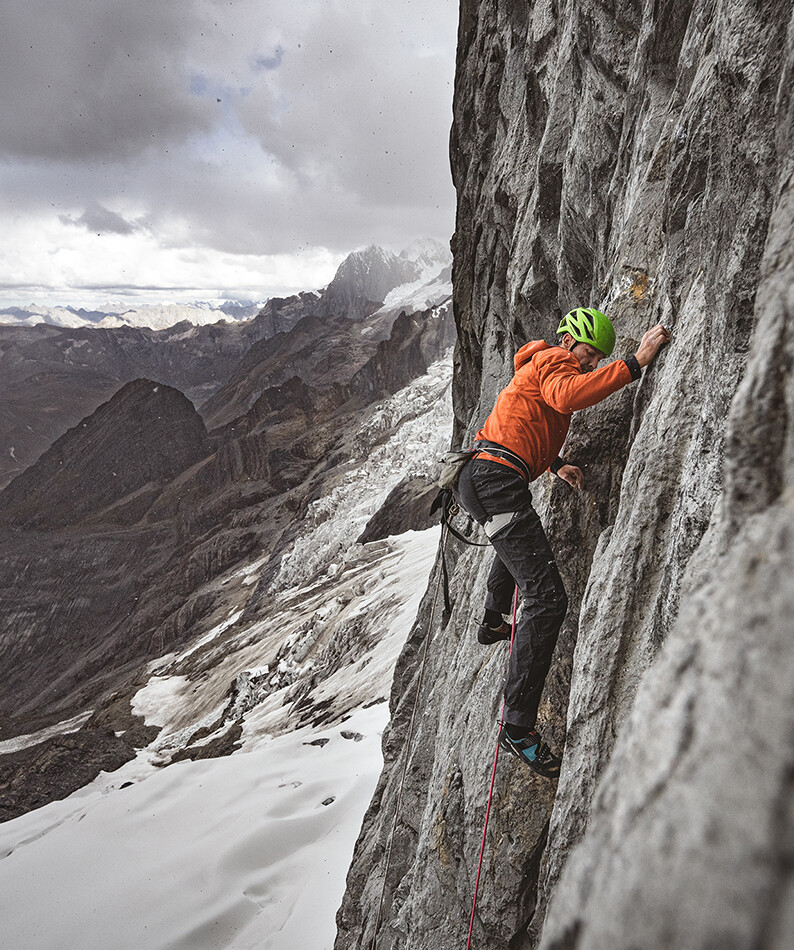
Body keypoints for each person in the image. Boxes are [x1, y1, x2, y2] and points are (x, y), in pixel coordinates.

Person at [455, 308, 670, 777]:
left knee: (519, 542)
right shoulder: (554, 360)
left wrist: (555, 464)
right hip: (496, 479)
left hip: (488, 475)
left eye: (596, 359)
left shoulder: (541, 365)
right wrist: (635, 363)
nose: (589, 364)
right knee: (548, 599)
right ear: (569, 340)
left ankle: (493, 620)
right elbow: (566, 397)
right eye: (589, 353)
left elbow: (529, 423)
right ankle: (517, 727)